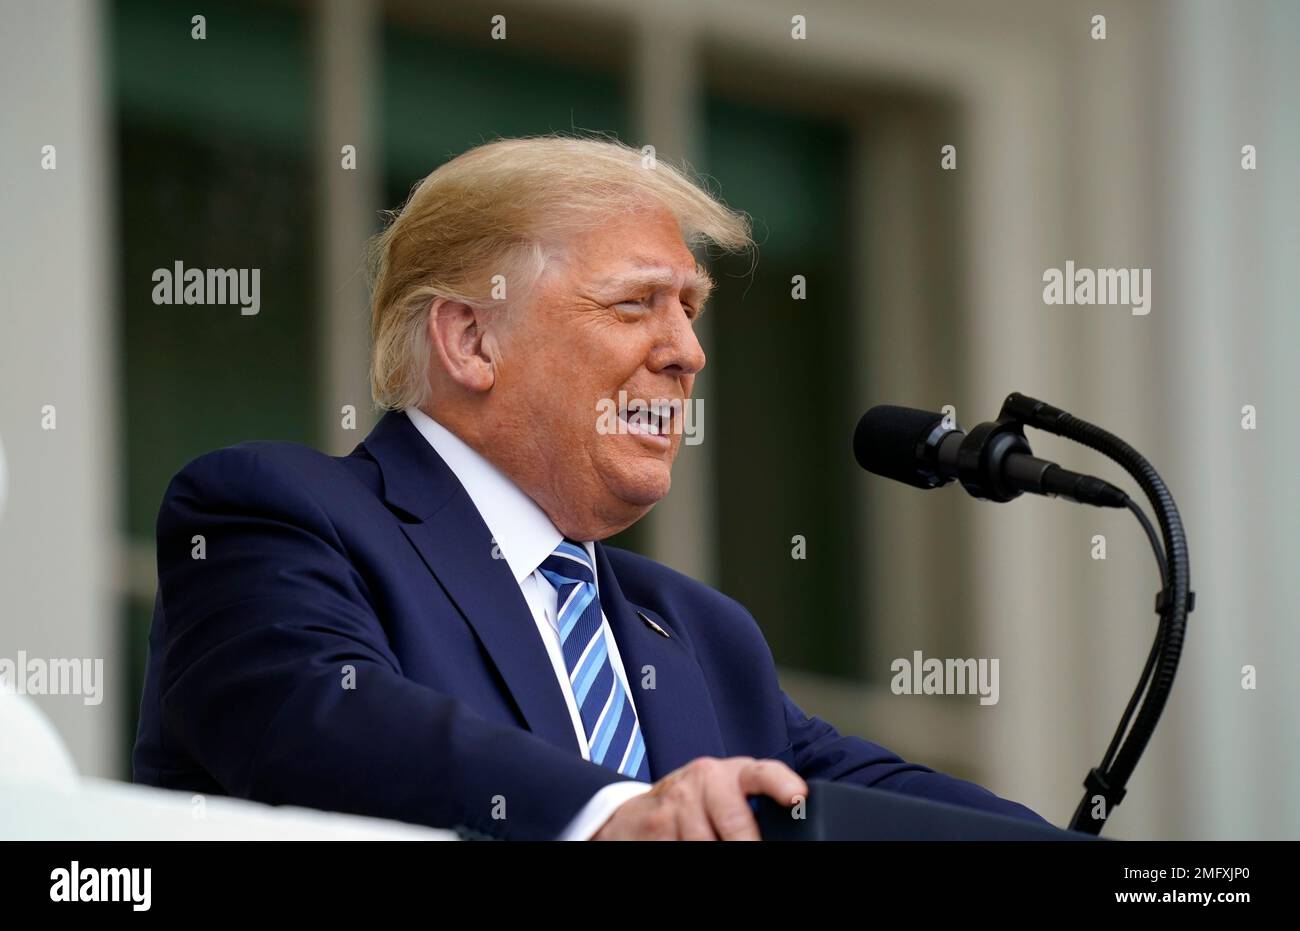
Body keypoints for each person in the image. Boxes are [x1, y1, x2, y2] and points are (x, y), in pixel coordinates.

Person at [133, 136, 1045, 840]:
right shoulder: (274, 512)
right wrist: (613, 812)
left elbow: (882, 806)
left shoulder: (703, 636)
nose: (687, 350)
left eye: (689, 309)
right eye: (634, 303)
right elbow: (315, 721)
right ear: (472, 341)